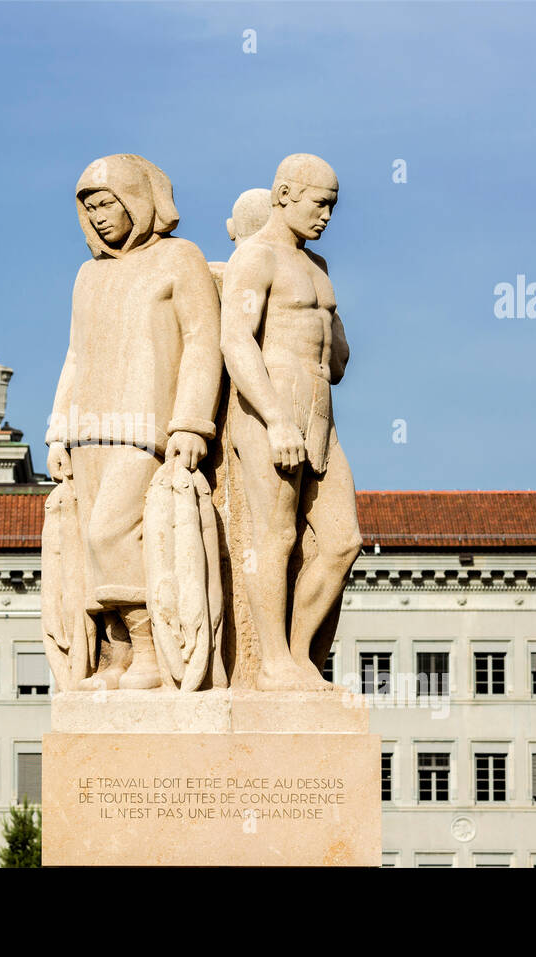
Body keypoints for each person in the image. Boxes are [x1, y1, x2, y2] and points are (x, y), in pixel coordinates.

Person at [46, 154, 222, 690]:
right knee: (87, 546)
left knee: (113, 534)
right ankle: (116, 655)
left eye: (107, 204)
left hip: (146, 425)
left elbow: (201, 341)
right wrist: (58, 427)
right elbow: (75, 354)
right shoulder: (88, 274)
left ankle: (150, 652)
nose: (99, 217)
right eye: (90, 208)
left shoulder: (179, 258)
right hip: (87, 429)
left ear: (137, 202)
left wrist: (192, 422)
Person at [219, 154, 361, 691]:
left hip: (320, 408)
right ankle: (273, 662)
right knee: (274, 536)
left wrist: (328, 338)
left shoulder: (318, 267)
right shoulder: (254, 257)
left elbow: (339, 358)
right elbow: (236, 339)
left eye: (332, 206)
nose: (326, 216)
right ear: (284, 195)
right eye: (319, 203)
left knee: (343, 541)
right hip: (269, 404)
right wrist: (276, 419)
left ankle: (299, 657)